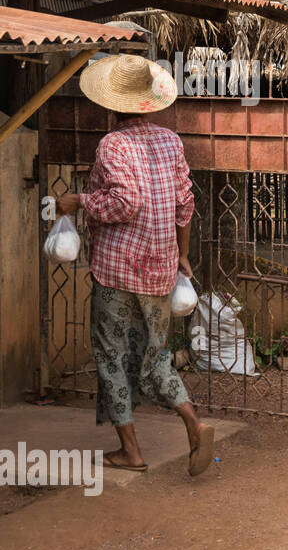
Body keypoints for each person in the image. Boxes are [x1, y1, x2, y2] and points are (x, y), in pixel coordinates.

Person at [54, 54, 214, 475]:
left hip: (118, 271)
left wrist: (79, 201)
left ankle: (131, 452)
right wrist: (182, 256)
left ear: (111, 104)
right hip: (160, 268)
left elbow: (125, 203)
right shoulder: (170, 141)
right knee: (155, 355)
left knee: (111, 355)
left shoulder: (113, 144)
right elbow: (185, 205)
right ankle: (194, 424)